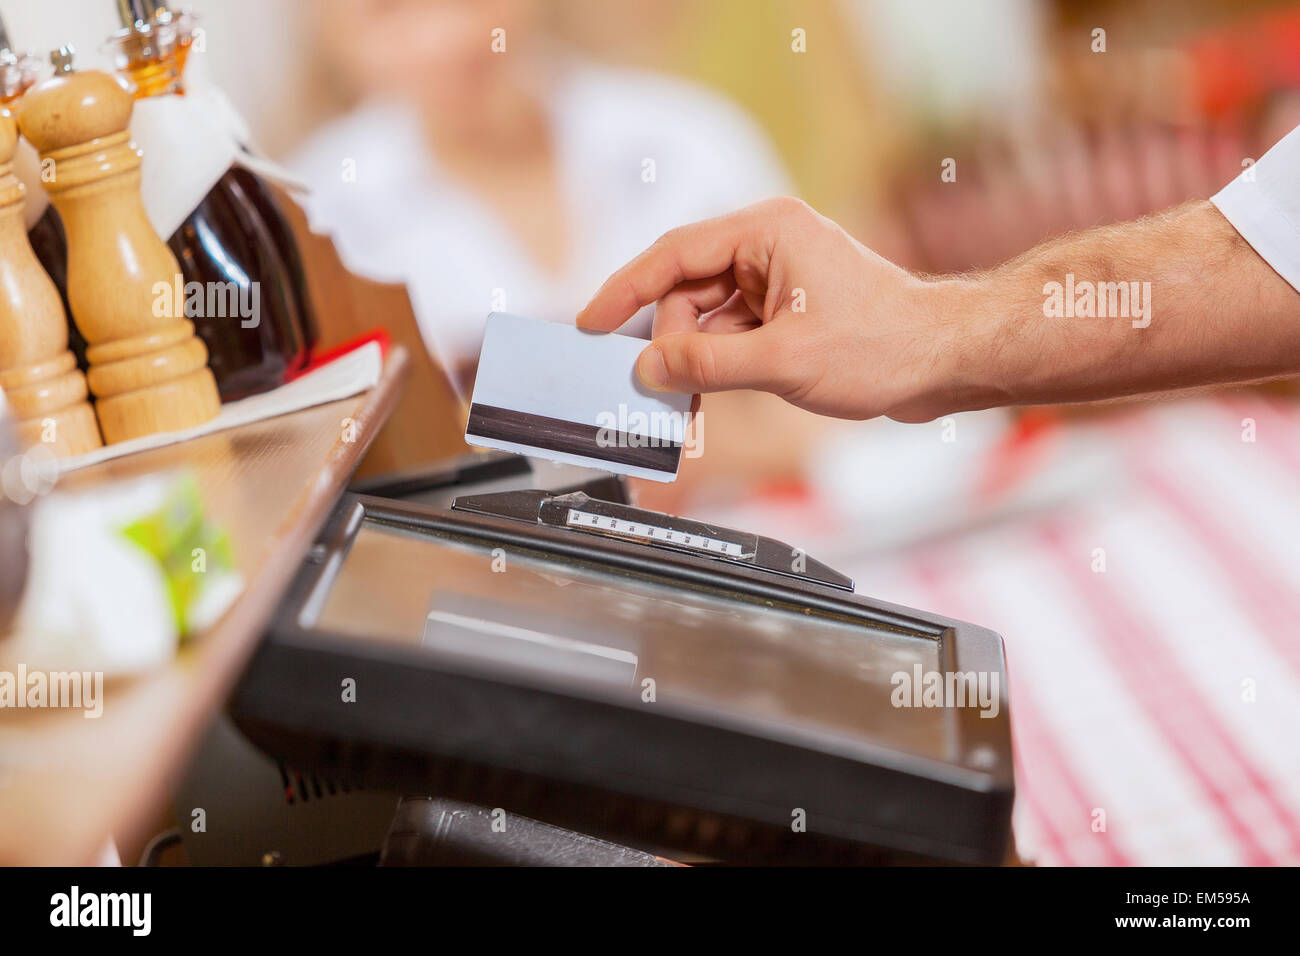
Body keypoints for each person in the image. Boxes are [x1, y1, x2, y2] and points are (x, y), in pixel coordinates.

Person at [577, 125, 1300, 421]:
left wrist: (931, 331)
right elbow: (1269, 245)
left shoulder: (688, 130)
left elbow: (1269, 245)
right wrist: (932, 332)